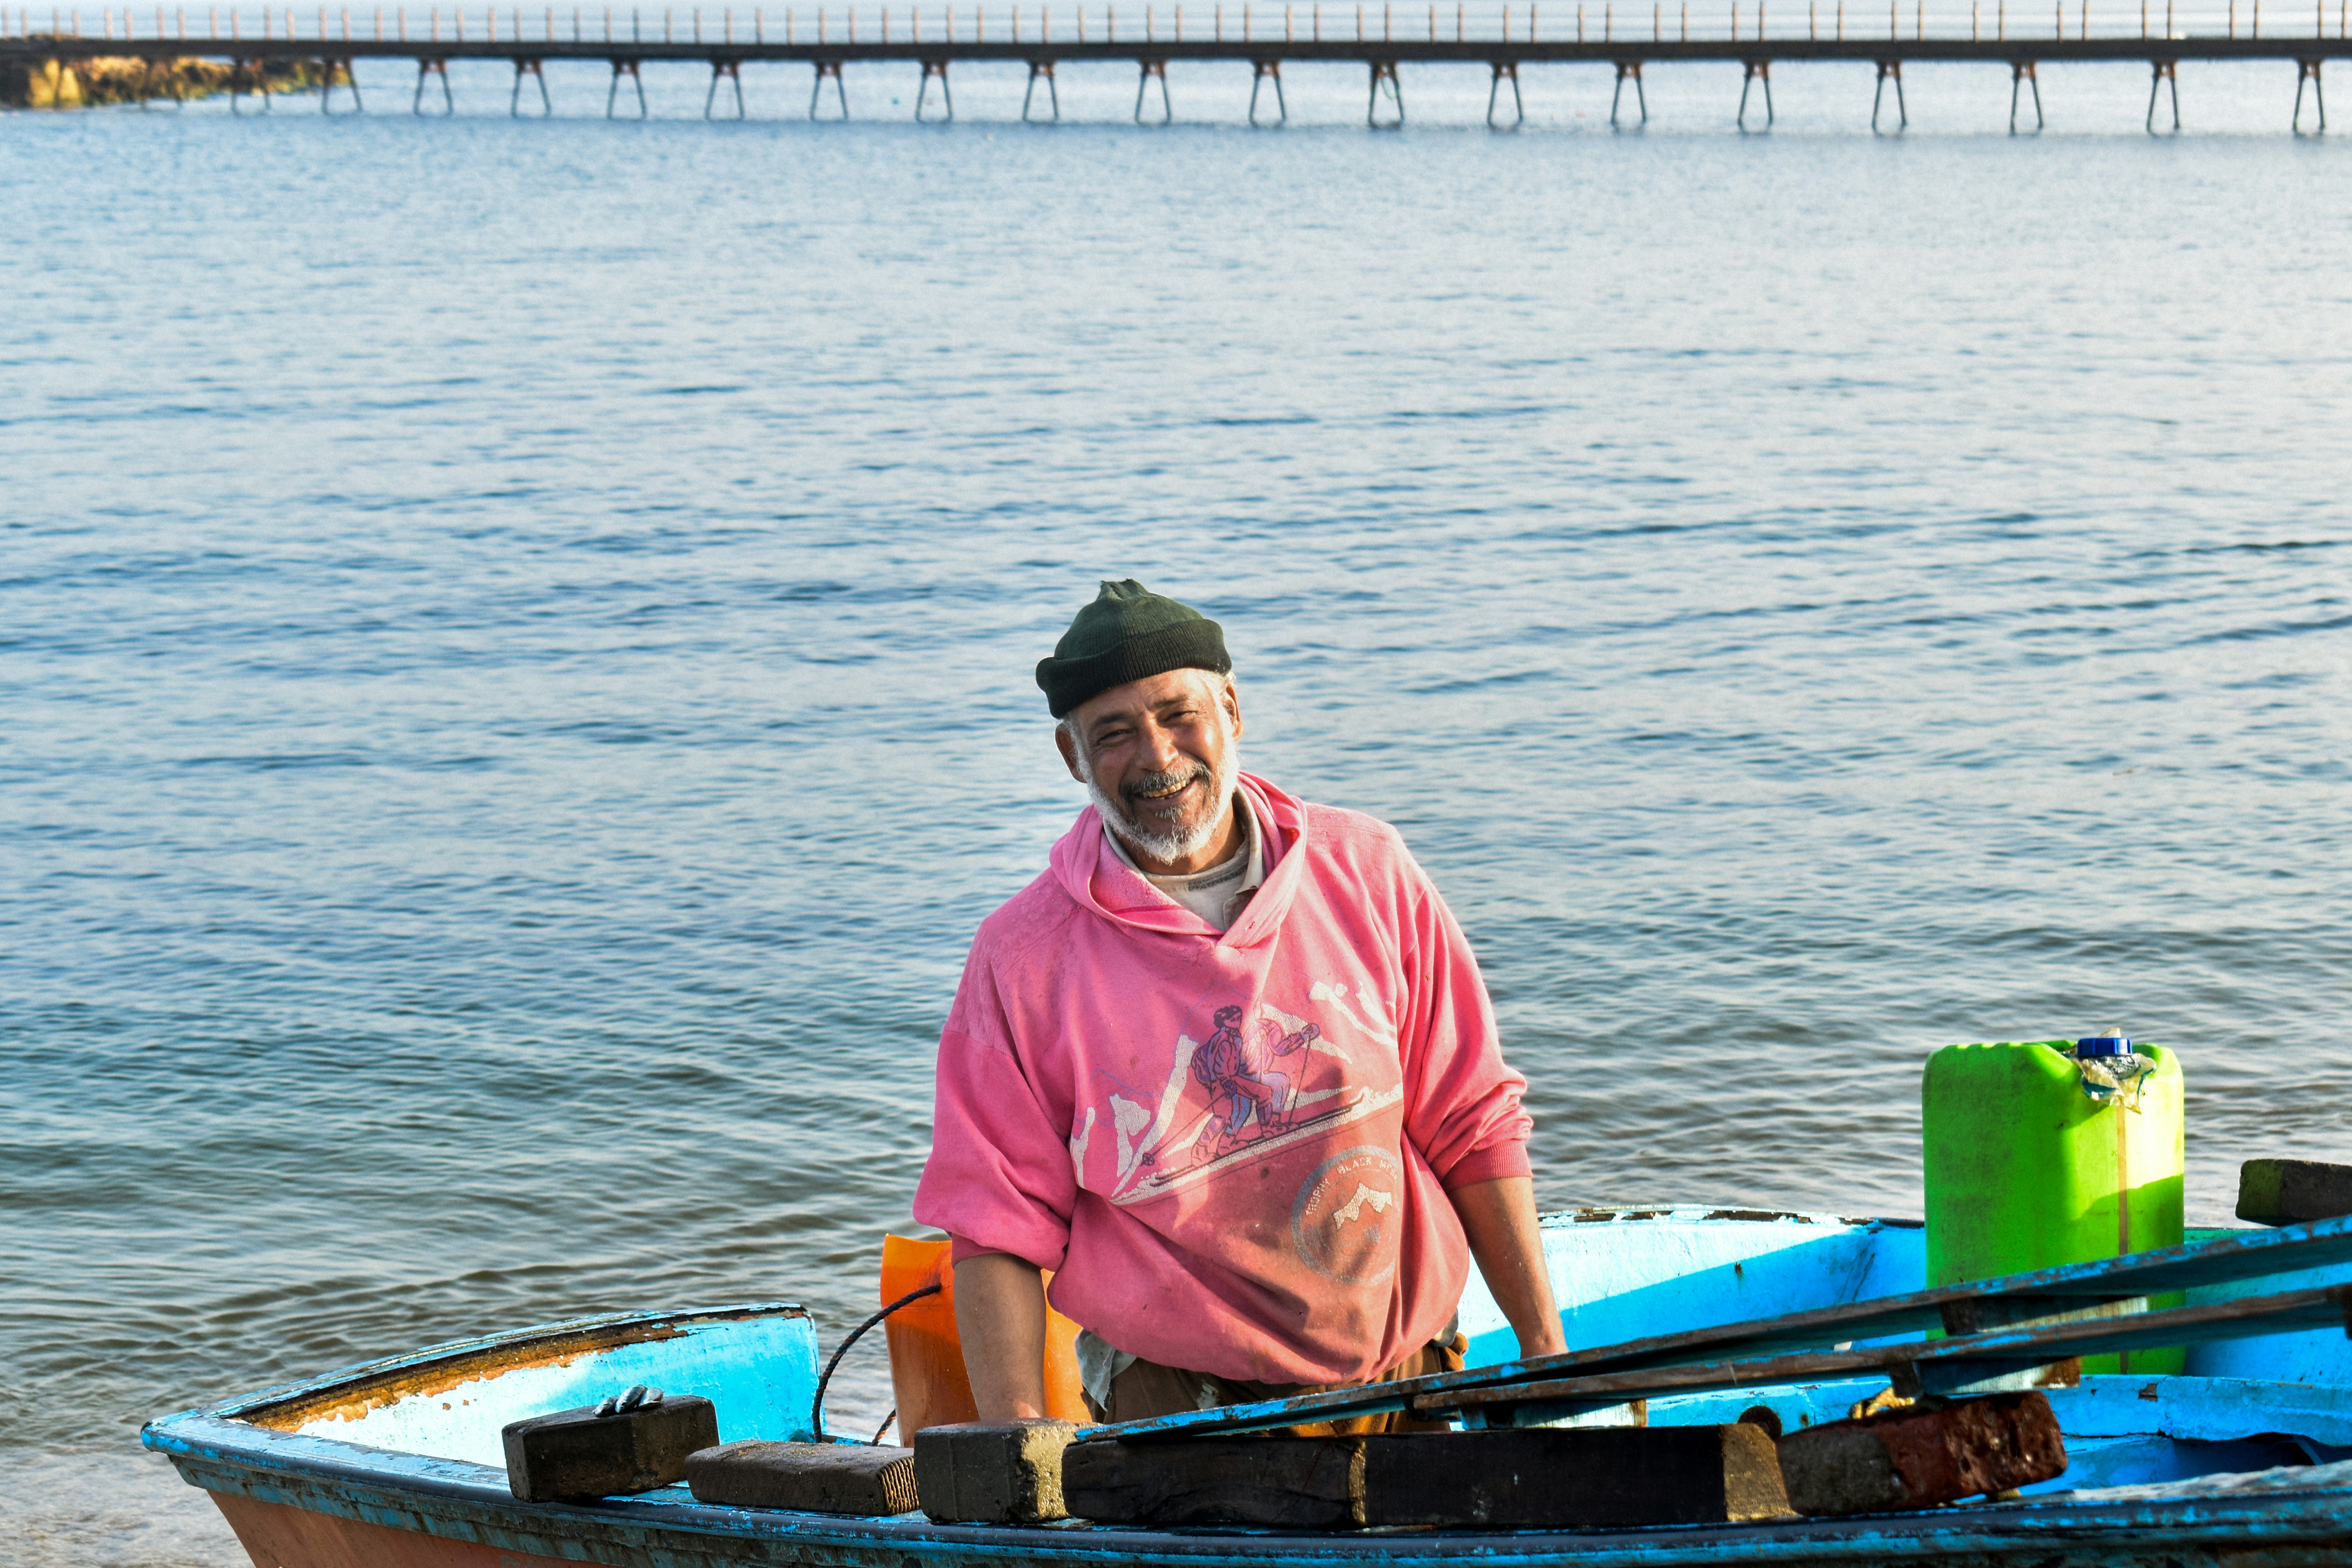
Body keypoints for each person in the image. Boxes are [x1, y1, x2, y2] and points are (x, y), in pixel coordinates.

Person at [912, 580, 1564, 1432]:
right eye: (1113, 732)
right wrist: (1017, 1436)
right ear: (1073, 758)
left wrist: (1549, 1358)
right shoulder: (1023, 955)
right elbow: (998, 1222)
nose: (1157, 755)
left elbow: (1471, 1118)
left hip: (1409, 1374)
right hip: (1179, 1409)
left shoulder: (1366, 869)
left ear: (1231, 707)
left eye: (1178, 713)